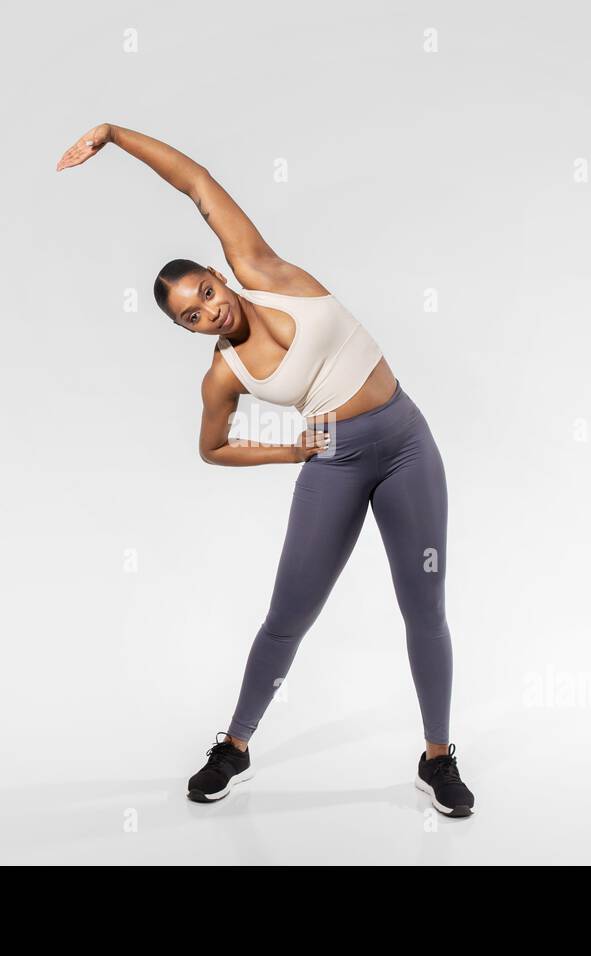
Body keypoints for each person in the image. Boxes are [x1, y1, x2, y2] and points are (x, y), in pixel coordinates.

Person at [57, 124, 475, 817]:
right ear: (186, 329)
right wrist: (288, 450)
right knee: (288, 616)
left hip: (406, 443)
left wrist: (114, 135)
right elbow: (212, 448)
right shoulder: (223, 375)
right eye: (192, 316)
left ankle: (438, 758)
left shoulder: (265, 271)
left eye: (205, 293)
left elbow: (196, 183)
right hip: (334, 462)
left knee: (424, 609)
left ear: (219, 276)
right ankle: (235, 746)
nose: (208, 310)